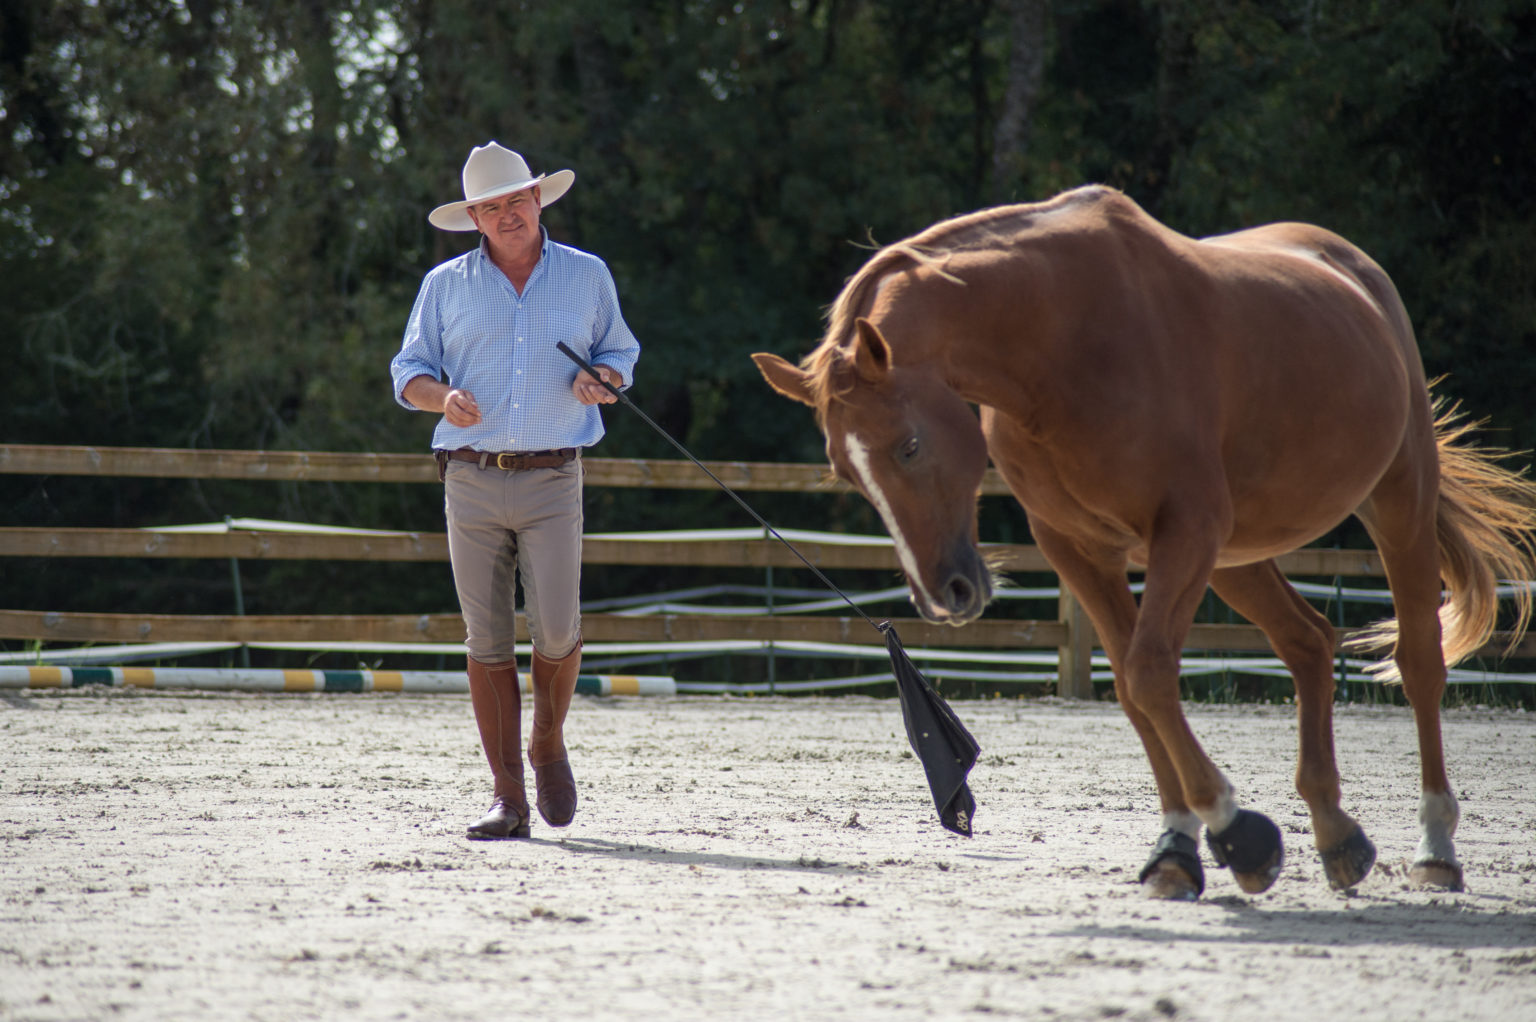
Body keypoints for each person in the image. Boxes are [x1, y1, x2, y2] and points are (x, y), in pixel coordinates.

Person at [390, 141, 640, 840]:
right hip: (470, 477)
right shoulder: (445, 285)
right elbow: (408, 371)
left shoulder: (587, 275)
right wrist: (442, 398)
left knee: (557, 628)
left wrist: (603, 379)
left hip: (554, 476)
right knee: (486, 638)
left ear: (538, 200)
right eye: (491, 207)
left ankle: (547, 742)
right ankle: (508, 797)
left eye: (516, 200)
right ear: (473, 217)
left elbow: (620, 352)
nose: (507, 215)